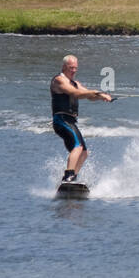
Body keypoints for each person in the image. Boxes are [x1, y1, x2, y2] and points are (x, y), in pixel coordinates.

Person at [51, 55, 113, 183]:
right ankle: (68, 176)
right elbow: (76, 94)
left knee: (84, 152)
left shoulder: (76, 83)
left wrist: (101, 96)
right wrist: (95, 92)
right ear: (64, 67)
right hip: (61, 120)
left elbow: (89, 96)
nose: (73, 70)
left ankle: (73, 177)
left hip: (70, 121)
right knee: (77, 147)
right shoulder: (59, 80)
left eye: (75, 68)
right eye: (70, 68)